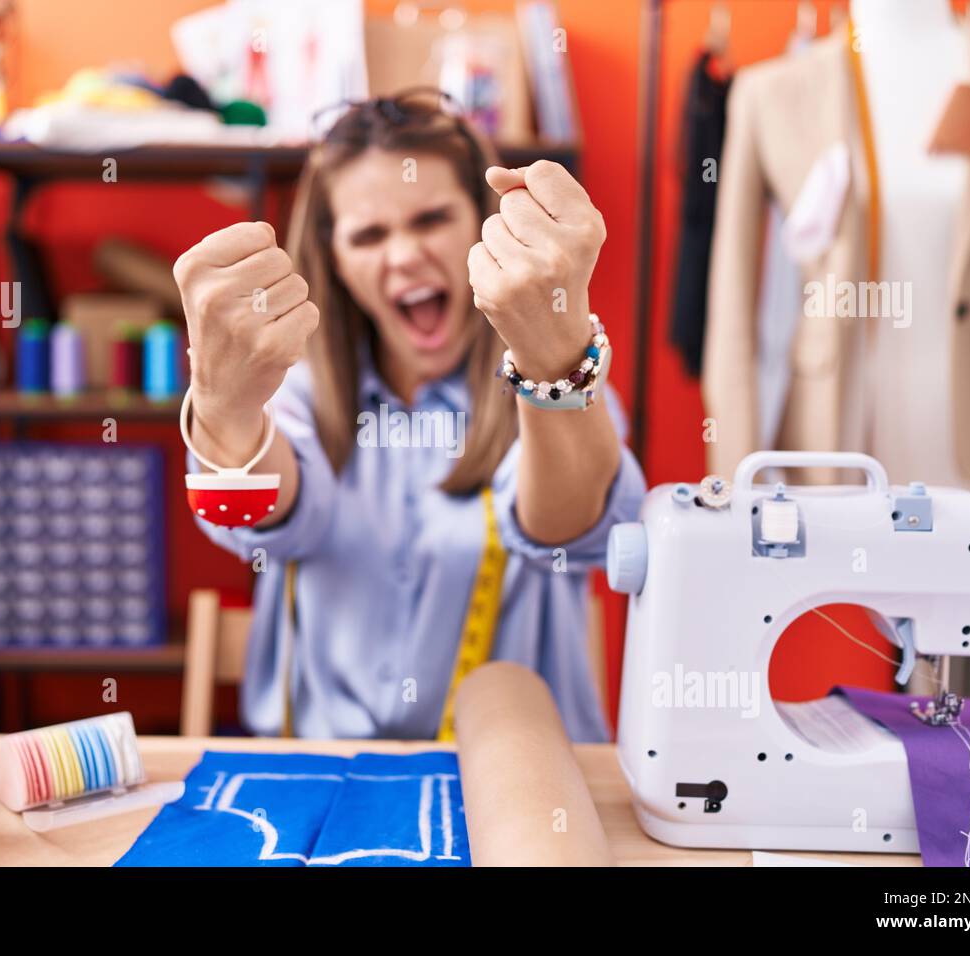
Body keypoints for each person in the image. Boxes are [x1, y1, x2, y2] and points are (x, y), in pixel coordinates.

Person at [174, 90, 644, 741]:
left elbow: (568, 529)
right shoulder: (298, 395)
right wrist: (225, 403)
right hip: (322, 780)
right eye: (369, 234)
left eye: (429, 220)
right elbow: (261, 516)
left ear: (485, 223)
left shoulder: (565, 387)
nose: (402, 257)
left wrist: (554, 359)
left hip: (519, 785)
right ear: (333, 256)